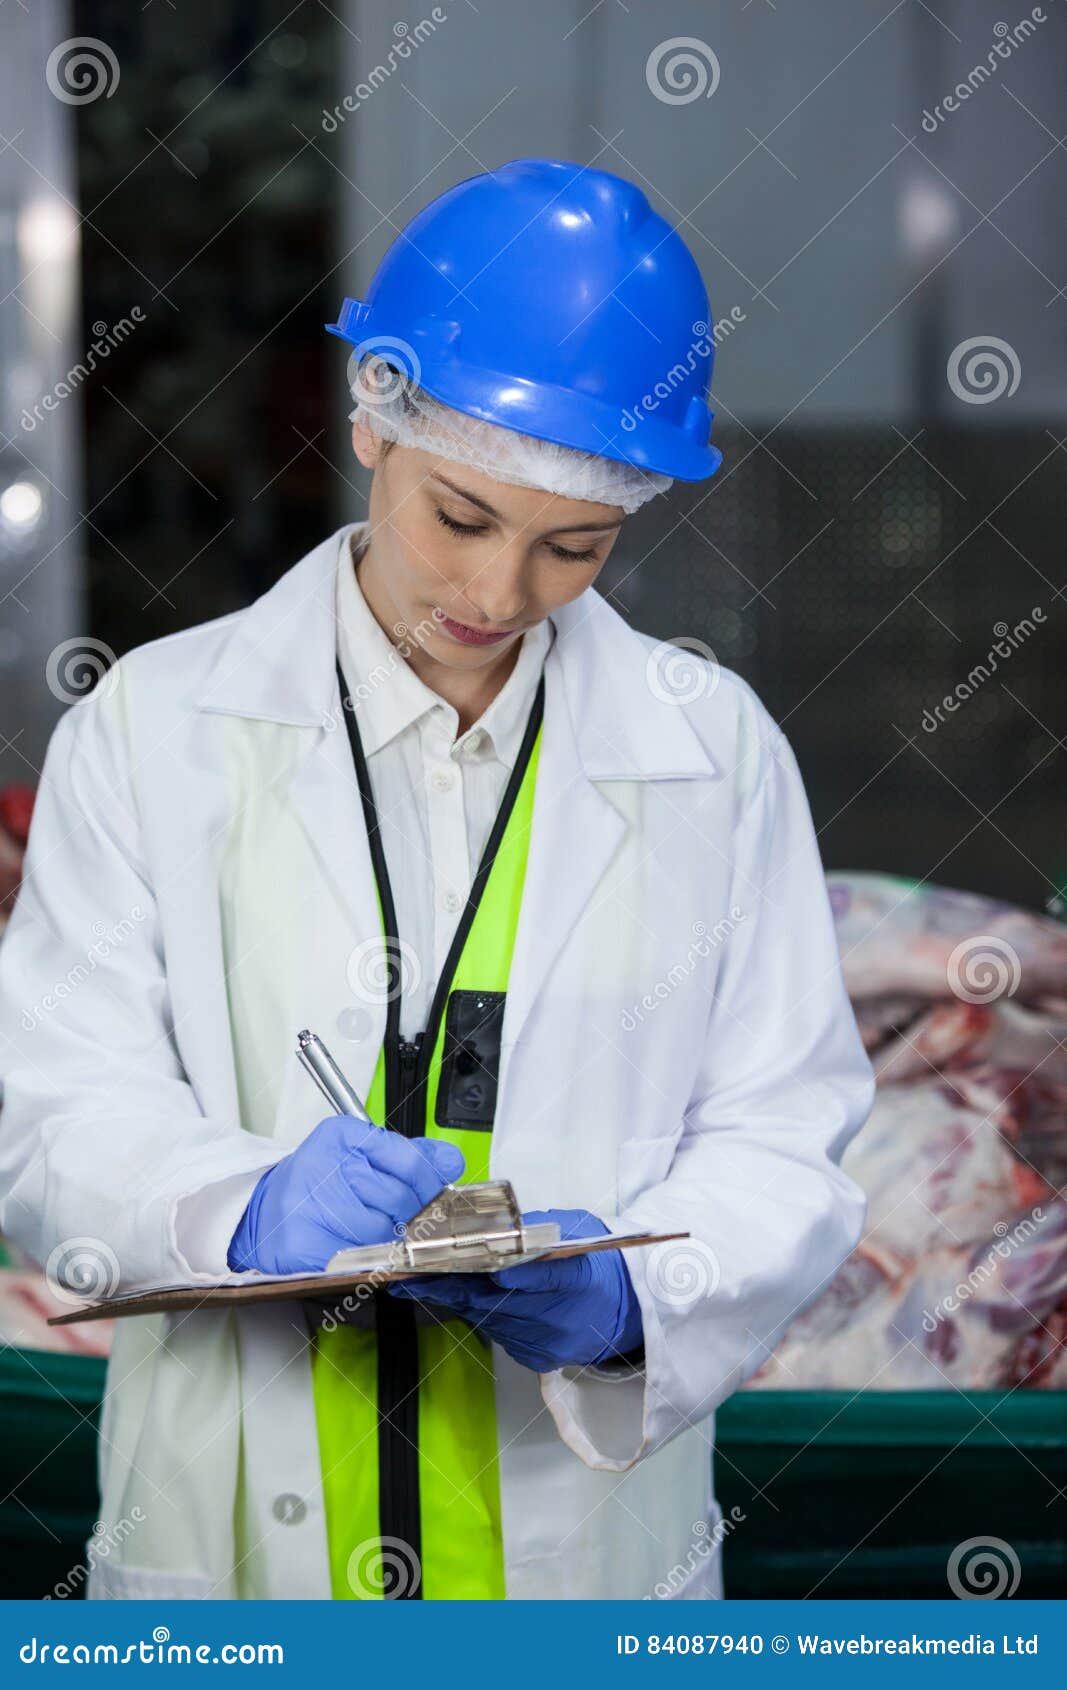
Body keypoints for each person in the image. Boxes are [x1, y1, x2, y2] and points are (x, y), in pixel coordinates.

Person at [0, 158, 874, 1601]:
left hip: (583, 1566)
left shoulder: (708, 752)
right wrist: (230, 1204)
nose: (500, 593)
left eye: (573, 547)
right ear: (372, 426)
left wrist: (630, 1298)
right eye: (461, 517)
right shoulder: (154, 731)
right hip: (231, 1564)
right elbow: (51, 1118)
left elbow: (787, 1129)